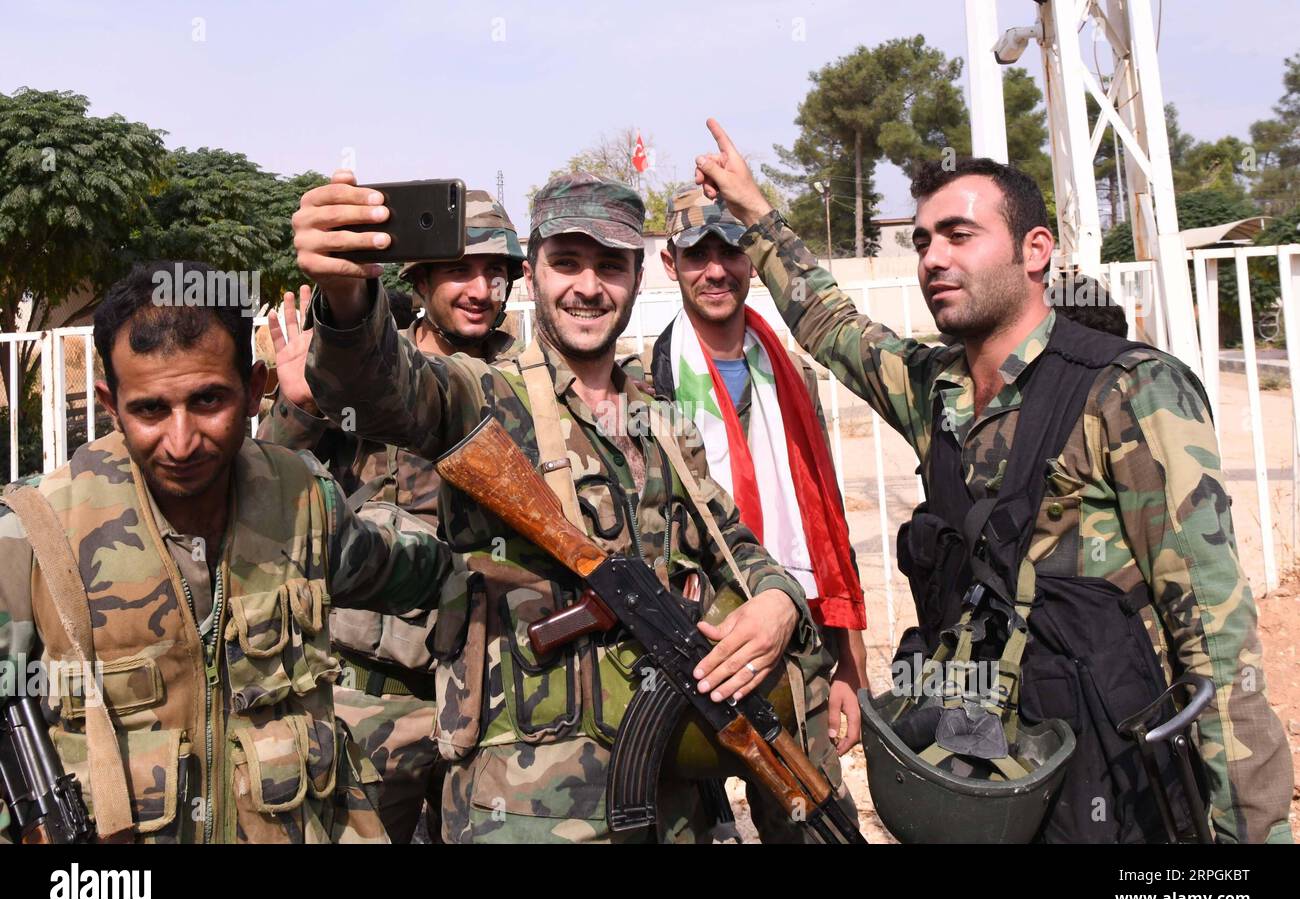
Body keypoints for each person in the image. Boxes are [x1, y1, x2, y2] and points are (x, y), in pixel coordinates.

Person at [693, 118, 1294, 844]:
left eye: (958, 234)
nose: (934, 258)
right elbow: (830, 323)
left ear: (1035, 249)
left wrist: (1247, 842)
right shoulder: (932, 391)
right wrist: (757, 214)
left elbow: (1216, 637)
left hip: (1112, 784)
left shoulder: (1128, 391)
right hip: (982, 783)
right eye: (922, 241)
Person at [294, 169, 819, 843]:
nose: (589, 286)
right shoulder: (488, 397)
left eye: (610, 265)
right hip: (523, 809)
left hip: (672, 805)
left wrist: (776, 601)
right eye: (567, 262)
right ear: (536, 272)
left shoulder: (661, 417)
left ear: (637, 274)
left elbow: (736, 546)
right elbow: (379, 385)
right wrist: (346, 294)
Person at [0, 260, 454, 844]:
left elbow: (422, 575)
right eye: (150, 410)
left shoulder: (303, 501)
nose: (182, 441)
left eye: (209, 400)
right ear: (112, 405)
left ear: (255, 390)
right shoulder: (35, 536)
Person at [258, 191, 524, 844]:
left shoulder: (525, 380)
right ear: (423, 278)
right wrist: (300, 404)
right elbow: (269, 487)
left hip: (496, 675)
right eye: (462, 269)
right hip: (377, 685)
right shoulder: (359, 366)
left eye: (498, 273)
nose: (481, 289)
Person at [643, 187, 866, 842]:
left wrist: (849, 666)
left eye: (731, 250)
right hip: (696, 652)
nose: (715, 269)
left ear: (750, 259)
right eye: (696, 254)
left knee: (817, 827)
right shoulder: (645, 384)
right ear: (669, 263)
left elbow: (830, 522)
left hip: (797, 651)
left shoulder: (794, 376)